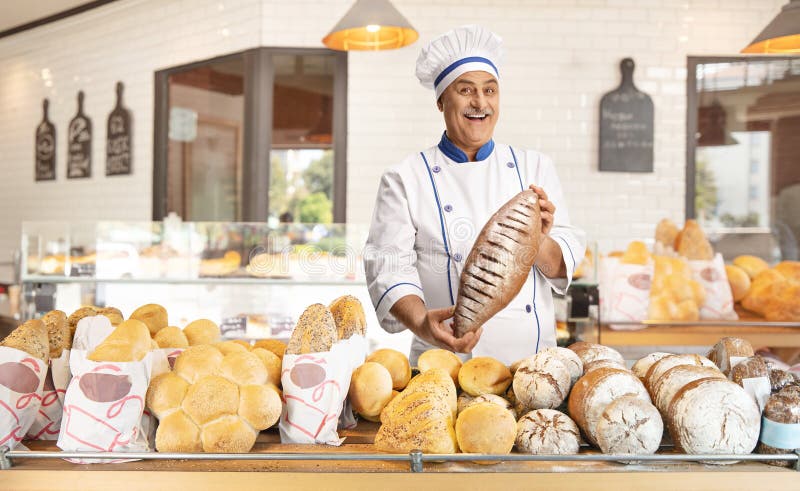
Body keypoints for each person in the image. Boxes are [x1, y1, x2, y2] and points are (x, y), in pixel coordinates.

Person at [363, 25, 586, 366]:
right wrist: (423, 323)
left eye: (490, 91)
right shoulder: (406, 178)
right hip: (445, 366)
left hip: (533, 367)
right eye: (466, 90)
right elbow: (389, 269)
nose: (480, 103)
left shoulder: (534, 168)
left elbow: (560, 265)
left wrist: (535, 240)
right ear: (441, 100)